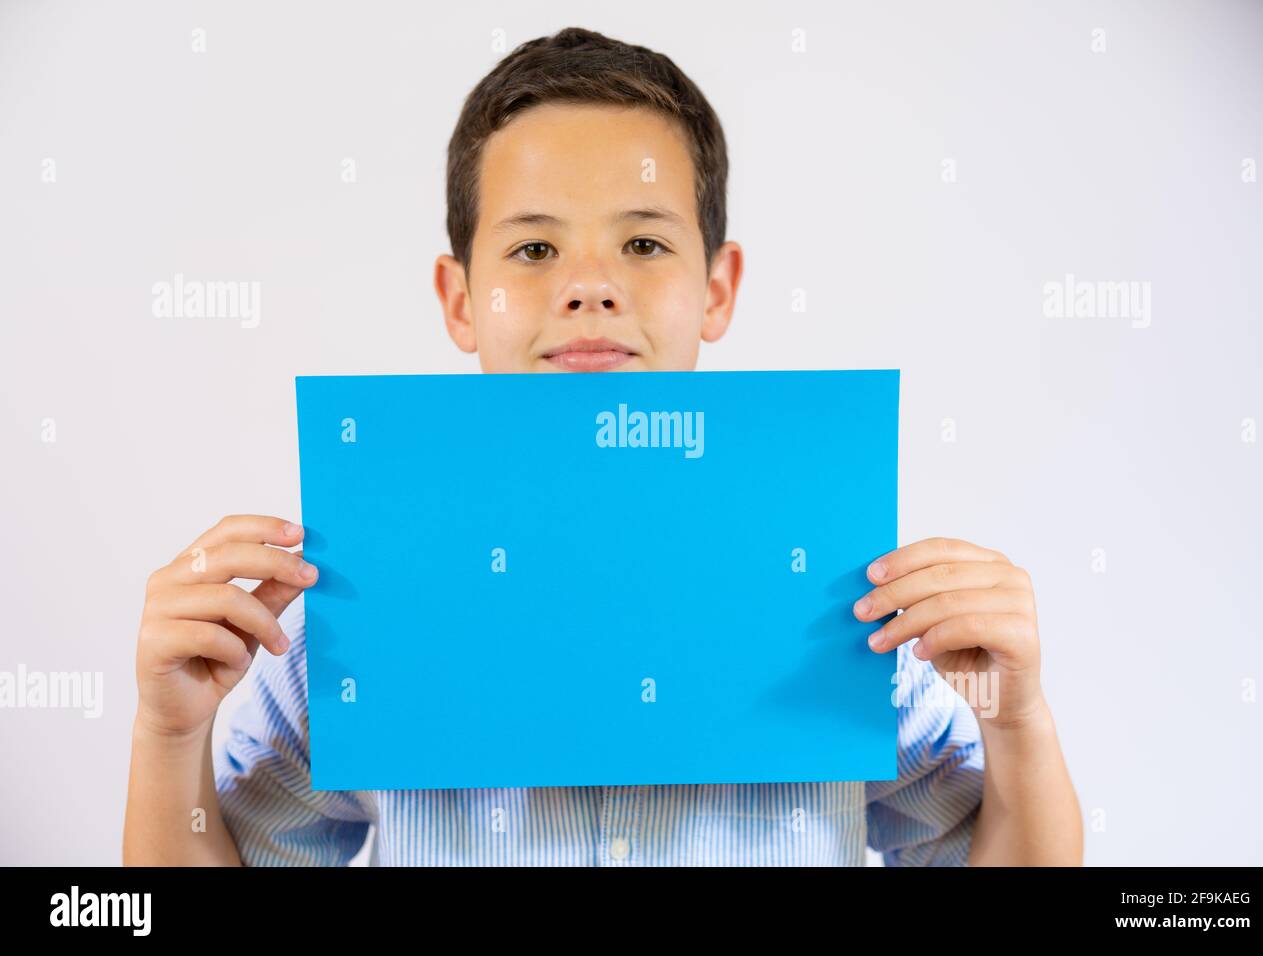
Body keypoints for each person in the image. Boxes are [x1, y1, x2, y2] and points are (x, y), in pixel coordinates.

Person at [123, 27, 1082, 866]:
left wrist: (1020, 718)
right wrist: (170, 740)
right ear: (461, 300)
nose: (589, 286)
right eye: (535, 250)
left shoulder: (849, 608)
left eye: (645, 244)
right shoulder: (352, 627)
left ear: (717, 287)